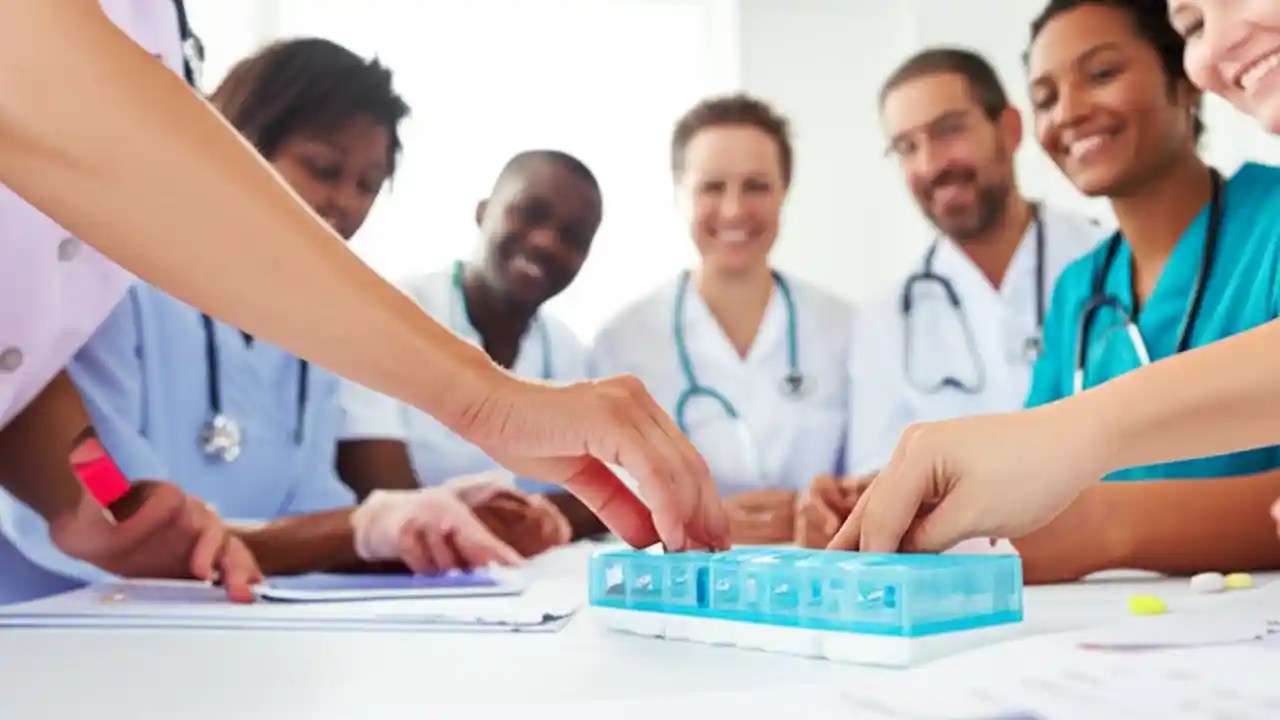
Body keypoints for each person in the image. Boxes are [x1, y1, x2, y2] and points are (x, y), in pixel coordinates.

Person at [0, 0, 726, 603]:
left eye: (366, 185)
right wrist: (478, 398)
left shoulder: (308, 336)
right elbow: (77, 117)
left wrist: (93, 494)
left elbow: (49, 417)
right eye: (323, 169)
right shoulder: (130, 283)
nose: (342, 204)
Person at [830, 0, 1280, 557]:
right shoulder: (1079, 292)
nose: (1069, 111)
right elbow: (1031, 475)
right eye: (1045, 97)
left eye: (1102, 74)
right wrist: (910, 499)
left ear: (1183, 80)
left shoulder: (1271, 224)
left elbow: (1067, 508)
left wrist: (1102, 528)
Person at [797, 49, 1105, 548]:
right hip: (963, 585)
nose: (930, 164)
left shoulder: (1106, 261)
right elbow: (879, 475)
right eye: (905, 146)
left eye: (948, 131)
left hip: (1117, 573)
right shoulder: (886, 317)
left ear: (1007, 128)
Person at [591, 94, 853, 546]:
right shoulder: (623, 341)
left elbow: (871, 479)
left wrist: (806, 512)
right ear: (679, 193)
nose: (734, 210)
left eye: (756, 186)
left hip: (822, 578)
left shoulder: (845, 328)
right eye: (712, 186)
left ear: (784, 192)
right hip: (683, 582)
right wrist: (700, 518)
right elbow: (608, 505)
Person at [338, 149, 604, 547]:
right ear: (483, 213)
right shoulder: (397, 313)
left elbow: (596, 504)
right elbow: (387, 494)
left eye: (574, 237)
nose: (547, 241)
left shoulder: (564, 349)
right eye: (530, 213)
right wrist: (532, 518)